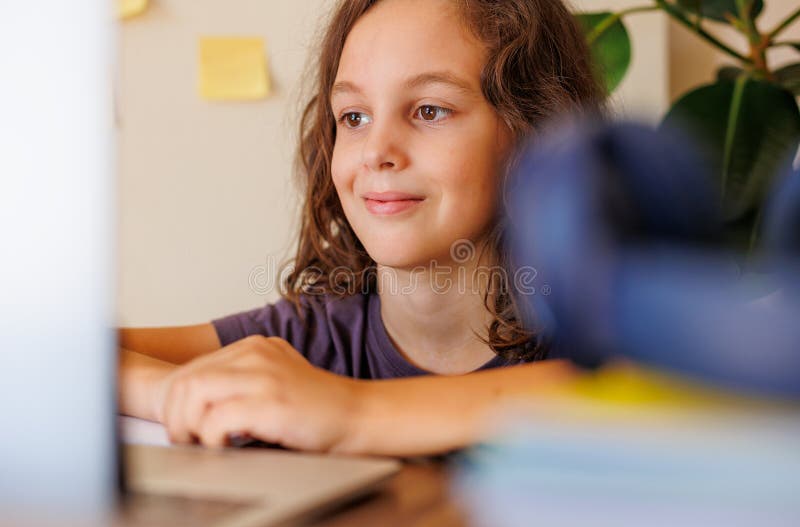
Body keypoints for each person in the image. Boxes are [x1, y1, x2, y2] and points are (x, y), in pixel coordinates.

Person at [118, 0, 605, 457]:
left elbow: (643, 390)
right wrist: (178, 393)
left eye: (429, 110)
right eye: (354, 117)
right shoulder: (310, 338)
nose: (376, 151)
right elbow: (68, 356)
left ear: (534, 134)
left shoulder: (599, 326)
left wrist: (350, 410)